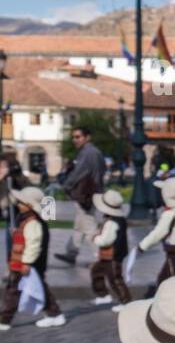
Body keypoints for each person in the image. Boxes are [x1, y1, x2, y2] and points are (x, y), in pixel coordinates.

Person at [0, 185, 65, 330]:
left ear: (30, 205)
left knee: (14, 290)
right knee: (37, 287)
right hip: (22, 262)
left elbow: (33, 244)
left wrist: (26, 262)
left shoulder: (33, 223)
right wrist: (16, 233)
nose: (18, 205)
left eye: (21, 203)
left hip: (25, 263)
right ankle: (55, 314)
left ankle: (4, 320)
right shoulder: (27, 220)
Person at [54, 125, 105, 268]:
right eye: (73, 137)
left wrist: (66, 185)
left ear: (87, 137)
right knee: (79, 225)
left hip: (86, 195)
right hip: (91, 193)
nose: (74, 140)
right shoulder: (95, 152)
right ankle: (71, 252)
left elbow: (79, 172)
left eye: (78, 137)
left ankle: (100, 259)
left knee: (89, 227)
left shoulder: (88, 152)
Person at [138, 177, 175, 285]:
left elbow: (159, 232)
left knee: (171, 279)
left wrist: (143, 245)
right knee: (173, 273)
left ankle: (173, 298)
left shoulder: (171, 213)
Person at [90, 188, 132, 310]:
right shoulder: (117, 220)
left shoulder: (112, 223)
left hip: (113, 256)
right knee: (96, 271)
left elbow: (106, 240)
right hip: (107, 256)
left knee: (115, 279)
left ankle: (126, 301)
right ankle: (103, 294)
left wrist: (95, 238)